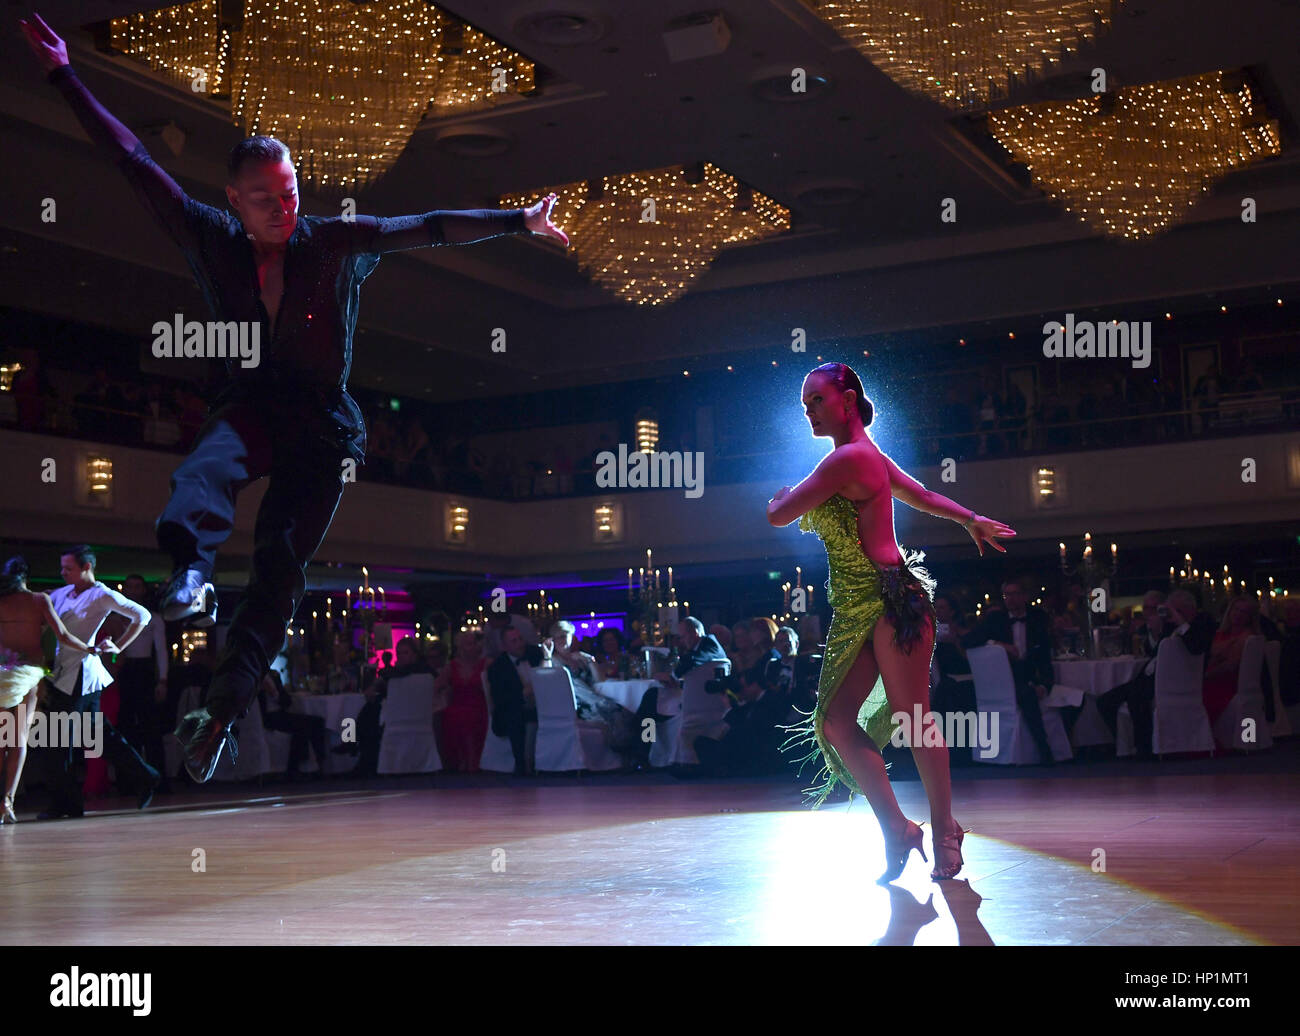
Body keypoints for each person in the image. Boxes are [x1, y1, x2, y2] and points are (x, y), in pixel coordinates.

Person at [20, 11, 569, 785]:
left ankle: (219, 709)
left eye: (292, 192)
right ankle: (189, 577)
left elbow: (430, 227)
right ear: (233, 200)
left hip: (321, 426)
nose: (286, 209)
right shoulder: (207, 236)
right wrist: (63, 74)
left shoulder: (333, 243)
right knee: (203, 473)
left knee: (281, 566)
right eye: (267, 199)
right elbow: (134, 160)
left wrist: (519, 219)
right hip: (249, 402)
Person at [767, 362, 1015, 881]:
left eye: (816, 399)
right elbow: (921, 496)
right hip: (857, 606)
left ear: (848, 398)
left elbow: (779, 514)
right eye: (804, 404)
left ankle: (946, 828)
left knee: (914, 718)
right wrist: (970, 519)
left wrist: (777, 499)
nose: (808, 410)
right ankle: (897, 828)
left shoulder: (852, 458)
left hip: (891, 600)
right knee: (835, 720)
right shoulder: (865, 457)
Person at [41, 546, 161, 818]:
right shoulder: (61, 593)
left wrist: (118, 646)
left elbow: (142, 616)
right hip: (67, 675)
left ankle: (66, 804)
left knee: (59, 740)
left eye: (68, 568)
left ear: (86, 568)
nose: (62, 573)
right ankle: (147, 776)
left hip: (81, 676)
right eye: (62, 568)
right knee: (98, 738)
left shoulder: (102, 595)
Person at [0, 555, 100, 823]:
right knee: (18, 740)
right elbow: (64, 636)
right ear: (26, 577)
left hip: (2, 672)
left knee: (0, 741)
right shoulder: (38, 600)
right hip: (28, 672)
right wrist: (89, 648)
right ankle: (6, 802)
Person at [1096, 589, 1215, 757]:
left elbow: (1196, 647)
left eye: (1176, 610)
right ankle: (1123, 746)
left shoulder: (1202, 622)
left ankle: (1144, 749)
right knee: (1105, 701)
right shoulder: (1169, 625)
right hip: (1152, 677)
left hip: (1178, 681)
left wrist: (1180, 622)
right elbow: (1155, 653)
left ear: (1188, 609)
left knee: (1136, 698)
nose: (1169, 614)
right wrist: (1155, 630)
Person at [963, 577, 1060, 764]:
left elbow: (1044, 657)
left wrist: (1043, 684)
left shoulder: (1037, 618)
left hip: (1030, 675)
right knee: (1027, 695)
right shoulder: (995, 620)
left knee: (1057, 697)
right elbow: (968, 641)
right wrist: (997, 644)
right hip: (1004, 681)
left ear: (1024, 596)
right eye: (1007, 595)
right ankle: (1043, 749)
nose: (1011, 599)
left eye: (1015, 594)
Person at [111, 574, 170, 791]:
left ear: (143, 591)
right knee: (125, 727)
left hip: (144, 670)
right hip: (123, 670)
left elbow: (161, 651)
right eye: (130, 586)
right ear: (124, 589)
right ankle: (127, 782)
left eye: (138, 587)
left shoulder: (153, 618)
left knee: (151, 728)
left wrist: (162, 680)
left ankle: (158, 780)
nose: (133, 590)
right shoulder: (115, 616)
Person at [485, 626, 549, 775]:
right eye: (514, 641)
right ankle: (522, 763)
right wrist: (523, 694)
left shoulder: (535, 653)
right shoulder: (497, 667)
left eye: (520, 639)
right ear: (505, 646)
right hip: (512, 709)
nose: (520, 644)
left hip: (540, 704)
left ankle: (549, 762)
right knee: (515, 715)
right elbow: (501, 699)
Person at [1203, 597, 1260, 735]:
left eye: (1244, 612)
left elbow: (1230, 666)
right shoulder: (1221, 634)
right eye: (1236, 610)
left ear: (1250, 617)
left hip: (1228, 684)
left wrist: (1203, 676)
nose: (1238, 614)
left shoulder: (1247, 638)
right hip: (1216, 678)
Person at [258, 669, 328, 780]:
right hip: (268, 718)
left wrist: (275, 693)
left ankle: (320, 765)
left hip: (280, 713)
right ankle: (294, 768)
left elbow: (286, 701)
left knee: (316, 722)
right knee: (304, 725)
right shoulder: (255, 677)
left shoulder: (273, 675)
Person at [435, 630, 489, 772]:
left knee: (471, 718)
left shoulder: (486, 663)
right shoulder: (451, 666)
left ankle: (473, 763)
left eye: (472, 644)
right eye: (466, 644)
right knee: (453, 717)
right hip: (457, 705)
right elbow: (436, 686)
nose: (471, 647)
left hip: (480, 705)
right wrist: (446, 691)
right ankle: (461, 762)